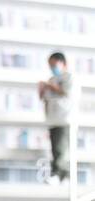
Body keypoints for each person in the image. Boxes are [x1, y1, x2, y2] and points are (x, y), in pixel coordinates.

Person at [38, 52, 74, 182]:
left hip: (64, 119)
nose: (52, 68)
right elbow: (44, 99)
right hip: (52, 120)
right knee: (55, 149)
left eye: (54, 65)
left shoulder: (70, 78)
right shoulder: (51, 80)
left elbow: (68, 94)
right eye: (50, 65)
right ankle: (60, 175)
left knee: (60, 149)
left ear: (63, 63)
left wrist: (51, 86)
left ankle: (60, 175)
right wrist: (42, 90)